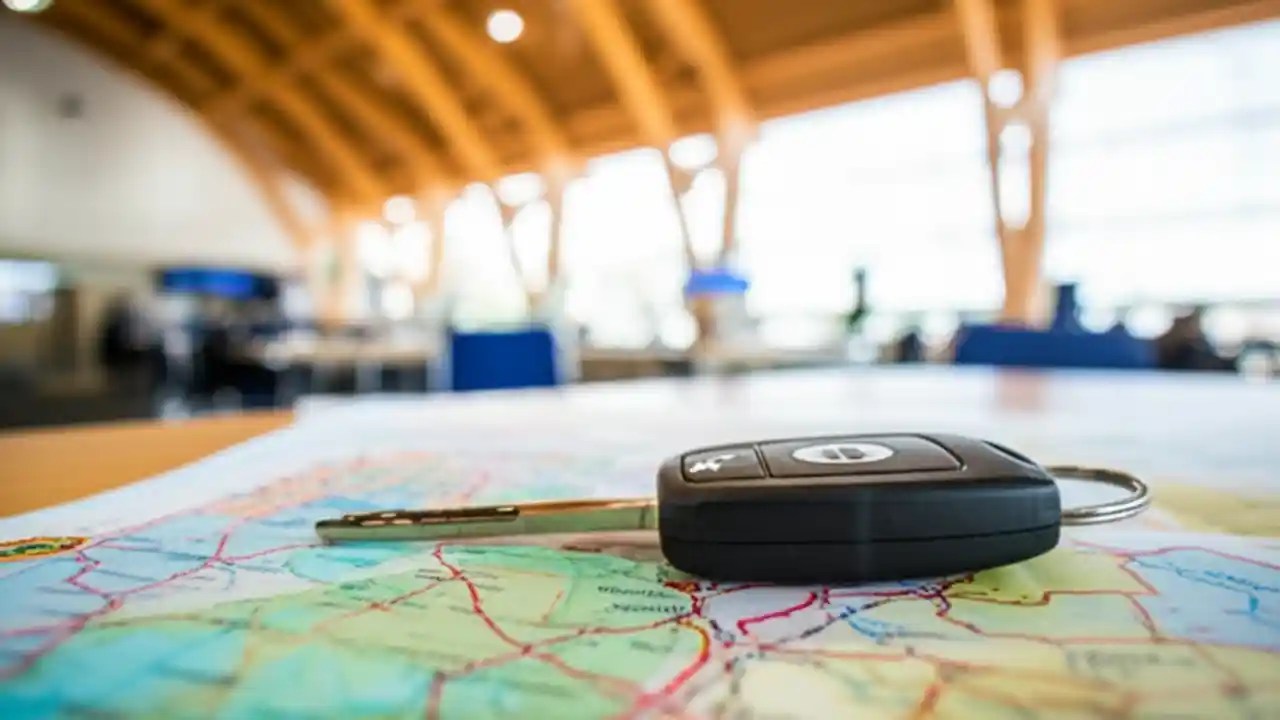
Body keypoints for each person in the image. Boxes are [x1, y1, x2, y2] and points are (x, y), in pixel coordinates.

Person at [1154, 306, 1235, 372]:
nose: (1187, 328)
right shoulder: (1157, 351)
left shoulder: (1200, 353)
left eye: (1189, 322)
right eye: (1183, 323)